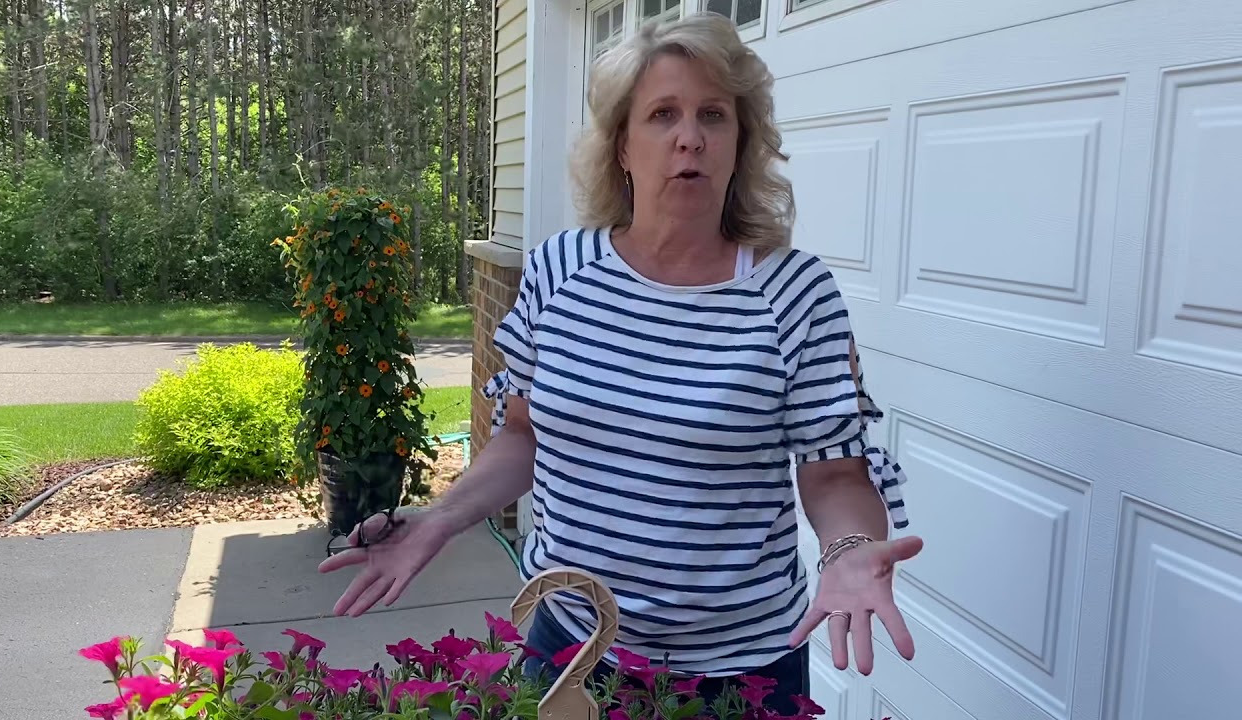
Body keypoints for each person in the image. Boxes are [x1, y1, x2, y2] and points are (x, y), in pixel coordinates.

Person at [318, 11, 923, 712]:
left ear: (739, 143)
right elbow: (522, 433)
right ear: (622, 148)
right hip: (573, 645)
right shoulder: (559, 270)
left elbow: (835, 472)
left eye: (714, 116)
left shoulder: (795, 293)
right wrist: (441, 518)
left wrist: (847, 548)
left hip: (740, 669)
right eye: (663, 114)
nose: (689, 137)